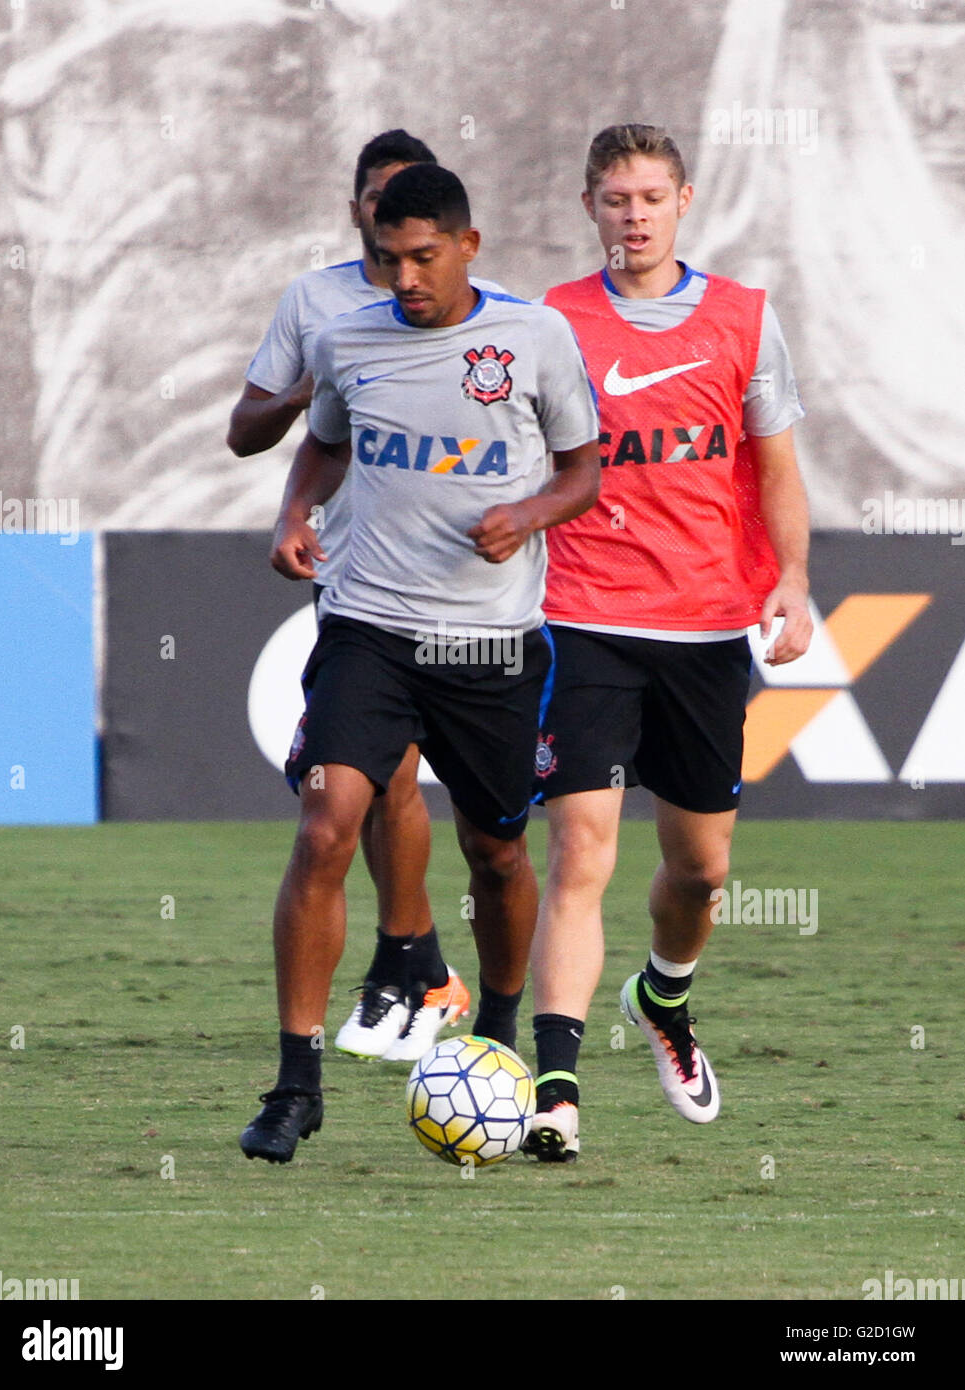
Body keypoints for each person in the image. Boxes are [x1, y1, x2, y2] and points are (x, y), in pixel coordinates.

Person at [239, 163, 600, 1162]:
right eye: (389, 257)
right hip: (368, 627)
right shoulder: (346, 335)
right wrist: (292, 512)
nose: (404, 277)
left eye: (424, 256)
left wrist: (526, 513)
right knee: (325, 827)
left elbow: (583, 470)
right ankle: (296, 1081)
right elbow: (320, 444)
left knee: (496, 853)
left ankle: (495, 1031)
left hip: (489, 641)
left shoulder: (535, 338)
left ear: (468, 246)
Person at [523, 123, 813, 1162]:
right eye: (615, 198)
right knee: (580, 851)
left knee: (700, 872)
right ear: (590, 205)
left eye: (651, 196)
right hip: (586, 616)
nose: (633, 215)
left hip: (702, 626)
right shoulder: (553, 321)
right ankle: (555, 1088)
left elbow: (775, 465)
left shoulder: (743, 318)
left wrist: (793, 580)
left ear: (683, 200)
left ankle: (662, 999)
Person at [228, 131, 505, 1062]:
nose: (397, 248)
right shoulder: (317, 305)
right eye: (377, 205)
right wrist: (319, 382)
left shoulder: (495, 318)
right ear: (358, 211)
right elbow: (247, 430)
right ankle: (415, 965)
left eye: (414, 225)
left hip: (456, 593)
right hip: (348, 581)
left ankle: (417, 966)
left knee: (423, 797)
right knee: (368, 787)